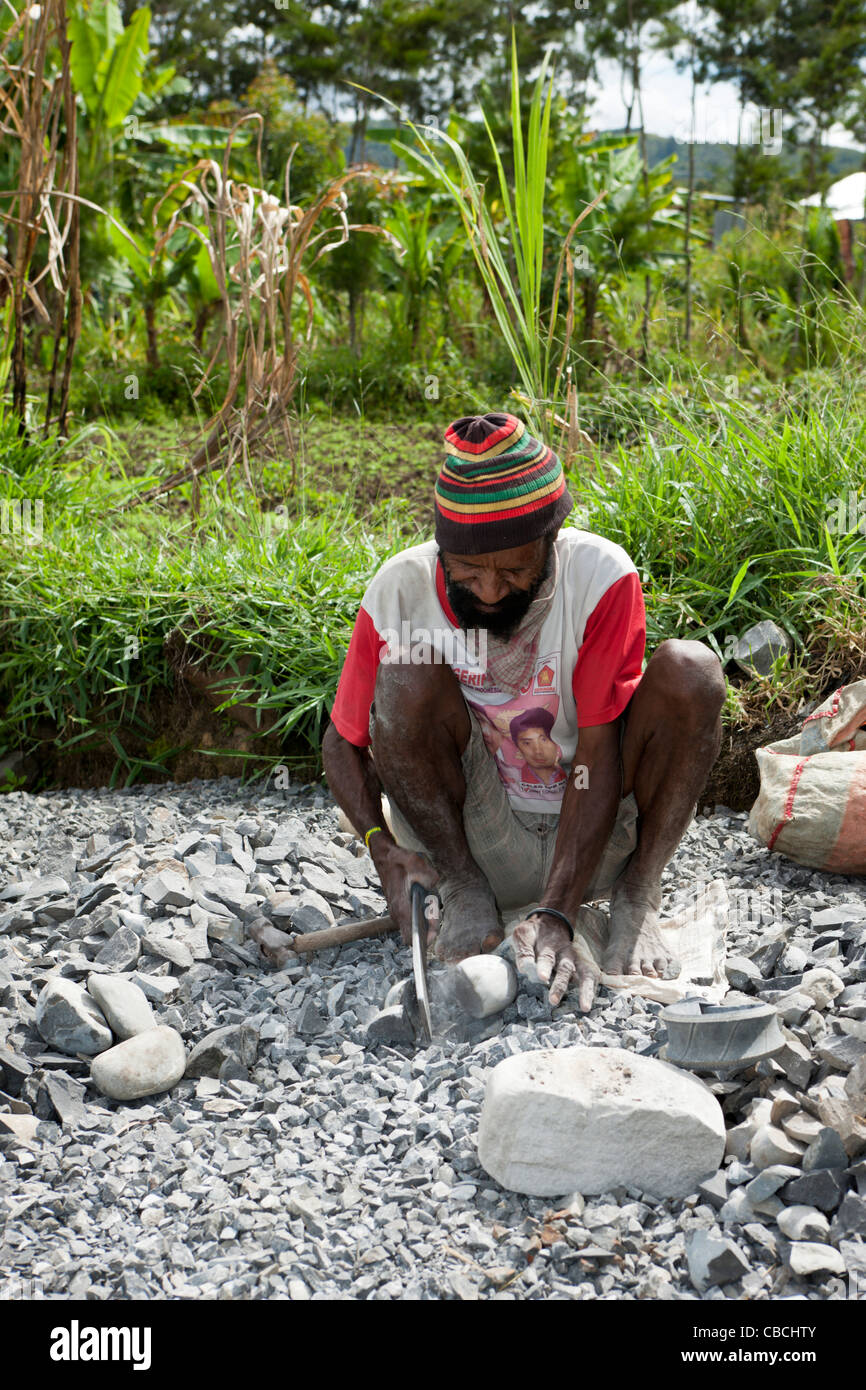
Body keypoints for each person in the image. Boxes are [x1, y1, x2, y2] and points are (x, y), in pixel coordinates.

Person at [322, 412, 725, 1011]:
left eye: (514, 571)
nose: (488, 590)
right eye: (467, 570)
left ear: (550, 542)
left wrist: (559, 910)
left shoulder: (601, 578)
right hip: (473, 842)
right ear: (442, 549)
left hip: (592, 834)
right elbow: (341, 741)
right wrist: (384, 848)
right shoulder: (398, 590)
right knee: (403, 672)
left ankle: (638, 893)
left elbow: (597, 752)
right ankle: (463, 889)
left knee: (693, 671)